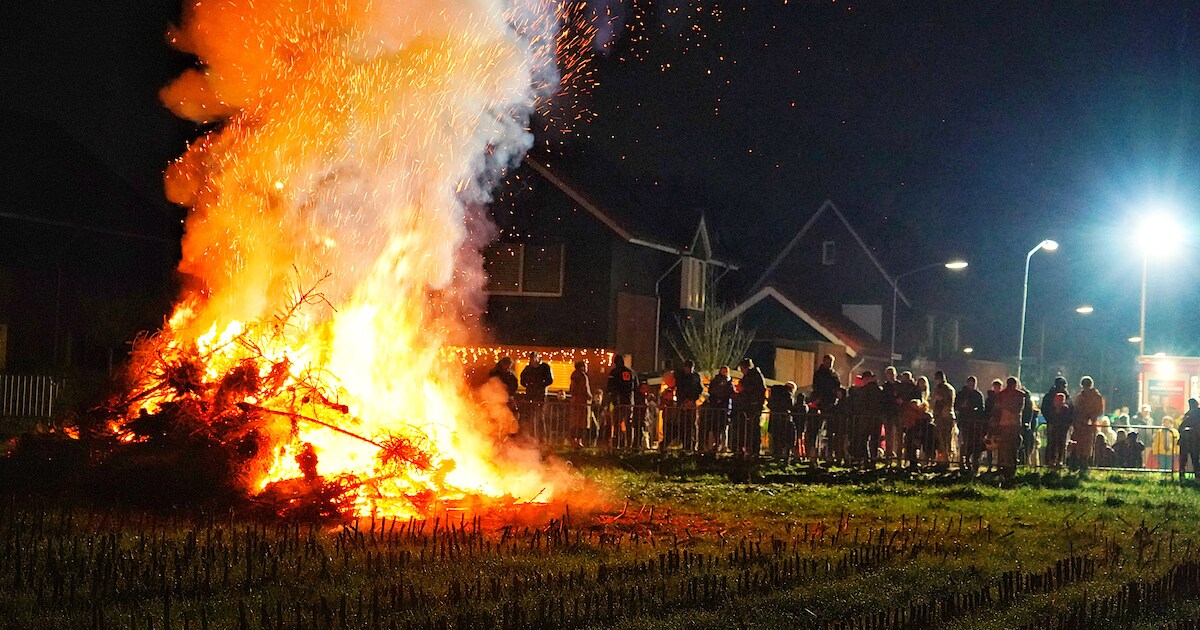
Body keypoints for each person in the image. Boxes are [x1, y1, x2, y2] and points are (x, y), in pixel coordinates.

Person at [991, 377, 1028, 482]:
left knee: (1003, 446)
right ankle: (1011, 467)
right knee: (1013, 447)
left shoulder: (1001, 394)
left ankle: (1002, 466)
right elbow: (1020, 409)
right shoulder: (1020, 395)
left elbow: (997, 409)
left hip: (1004, 423)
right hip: (1014, 423)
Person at [848, 371, 886, 466]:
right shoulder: (879, 390)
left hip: (864, 418)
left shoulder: (862, 391)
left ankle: (866, 459)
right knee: (874, 440)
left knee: (863, 440)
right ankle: (873, 460)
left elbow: (858, 405)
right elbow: (882, 405)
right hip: (876, 419)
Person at [732, 358, 766, 458]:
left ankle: (753, 450)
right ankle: (750, 449)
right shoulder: (753, 376)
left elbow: (754, 390)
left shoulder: (752, 377)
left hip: (751, 406)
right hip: (750, 405)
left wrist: (743, 391)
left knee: (752, 428)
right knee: (750, 428)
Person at [1069, 376, 1105, 470]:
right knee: (1083, 444)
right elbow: (1100, 410)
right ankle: (1081, 461)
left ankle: (1084, 462)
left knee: (1087, 444)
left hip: (1086, 424)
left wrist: (1089, 417)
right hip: (1083, 424)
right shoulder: (1095, 397)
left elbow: (1099, 411)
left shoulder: (1083, 397)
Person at [955, 376, 986, 474]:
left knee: (973, 443)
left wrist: (974, 411)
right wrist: (962, 406)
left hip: (974, 423)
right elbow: (956, 406)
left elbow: (981, 409)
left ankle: (972, 463)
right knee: (964, 442)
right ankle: (963, 462)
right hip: (964, 421)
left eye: (973, 384)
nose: (971, 386)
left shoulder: (978, 395)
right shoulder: (961, 394)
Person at [519, 352, 554, 439]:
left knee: (540, 416)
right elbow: (522, 379)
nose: (532, 360)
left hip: (540, 395)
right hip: (530, 395)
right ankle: (531, 437)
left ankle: (541, 438)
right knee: (530, 417)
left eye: (534, 358)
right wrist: (528, 385)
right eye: (531, 359)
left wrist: (540, 385)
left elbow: (550, 380)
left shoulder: (545, 367)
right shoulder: (528, 368)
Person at [605, 355, 637, 448]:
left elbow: (609, 387)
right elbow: (636, 388)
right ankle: (629, 444)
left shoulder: (614, 372)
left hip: (618, 402)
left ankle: (617, 444)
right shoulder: (632, 372)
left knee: (617, 423)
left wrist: (609, 400)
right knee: (629, 423)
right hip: (629, 402)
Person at [672, 360, 704, 452]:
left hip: (691, 403)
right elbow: (679, 388)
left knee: (692, 424)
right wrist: (683, 401)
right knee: (682, 424)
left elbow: (699, 389)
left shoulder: (696, 376)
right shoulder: (681, 376)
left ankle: (692, 445)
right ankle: (684, 444)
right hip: (682, 403)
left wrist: (692, 400)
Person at [702, 366, 735, 452]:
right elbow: (711, 391)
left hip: (725, 408)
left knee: (723, 427)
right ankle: (715, 444)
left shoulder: (729, 382)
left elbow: (731, 393)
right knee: (715, 427)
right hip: (716, 407)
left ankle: (723, 446)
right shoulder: (716, 381)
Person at [1042, 378, 1073, 468]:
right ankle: (1059, 461)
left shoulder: (1049, 395)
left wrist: (1049, 419)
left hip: (1053, 423)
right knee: (1060, 443)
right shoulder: (1067, 396)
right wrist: (1068, 422)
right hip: (1062, 424)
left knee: (1052, 443)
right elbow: (1071, 411)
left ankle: (1050, 461)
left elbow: (1044, 409)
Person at [930, 371, 956, 468]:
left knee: (943, 440)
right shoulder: (948, 388)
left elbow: (944, 402)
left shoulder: (944, 389)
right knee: (944, 440)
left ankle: (944, 461)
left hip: (944, 417)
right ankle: (943, 459)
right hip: (945, 416)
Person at [767, 381, 797, 460]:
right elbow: (790, 405)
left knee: (775, 437)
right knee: (784, 438)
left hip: (774, 418)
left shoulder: (775, 392)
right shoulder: (788, 394)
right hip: (784, 419)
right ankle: (783, 456)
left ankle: (775, 455)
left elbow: (769, 404)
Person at [568, 361, 592, 448]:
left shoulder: (573, 375)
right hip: (582, 402)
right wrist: (590, 397)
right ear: (582, 367)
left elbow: (571, 388)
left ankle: (573, 440)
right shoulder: (582, 376)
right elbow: (585, 388)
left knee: (574, 422)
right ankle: (579, 441)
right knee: (581, 422)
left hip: (574, 401)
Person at [880, 367, 901, 465]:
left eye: (892, 373)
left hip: (897, 413)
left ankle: (898, 457)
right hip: (888, 413)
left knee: (898, 436)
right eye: (889, 374)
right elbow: (883, 400)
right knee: (889, 435)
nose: (891, 376)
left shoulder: (899, 386)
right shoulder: (885, 387)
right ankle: (888, 456)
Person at [1178, 398, 1200, 480]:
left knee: (1185, 458)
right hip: (1193, 440)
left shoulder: (1189, 414)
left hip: (1189, 439)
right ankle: (1196, 475)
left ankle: (1182, 474)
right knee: (1194, 458)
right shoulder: (1192, 414)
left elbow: (1180, 427)